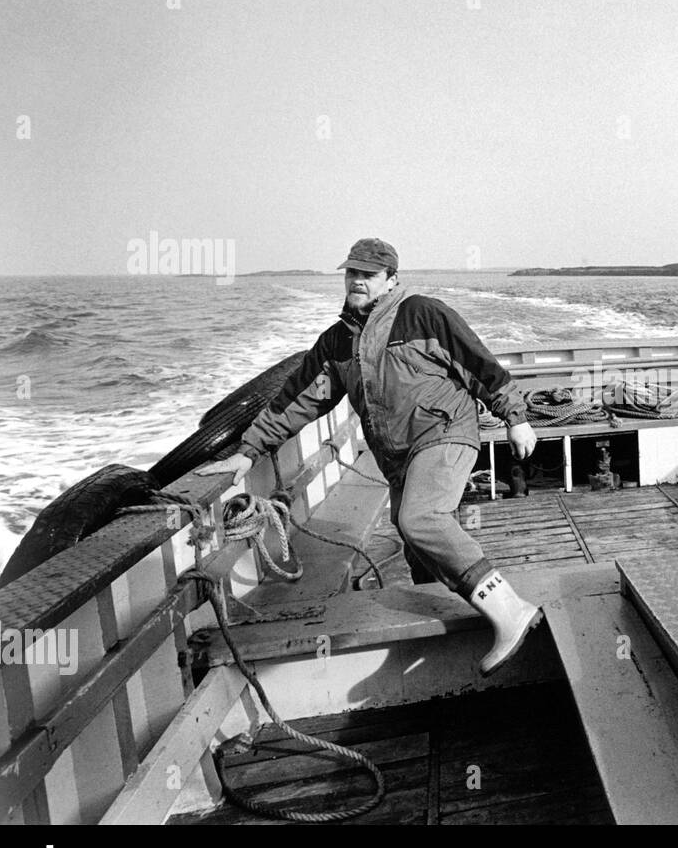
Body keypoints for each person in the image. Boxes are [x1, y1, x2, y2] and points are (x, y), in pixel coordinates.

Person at [196, 238, 542, 675]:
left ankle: (510, 611)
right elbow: (297, 400)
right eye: (351, 273)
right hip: (396, 455)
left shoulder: (423, 313)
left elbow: (479, 365)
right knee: (417, 546)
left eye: (369, 274)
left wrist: (515, 416)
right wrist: (247, 454)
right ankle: (447, 622)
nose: (357, 281)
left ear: (391, 279)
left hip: (446, 432)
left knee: (421, 519)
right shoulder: (337, 342)